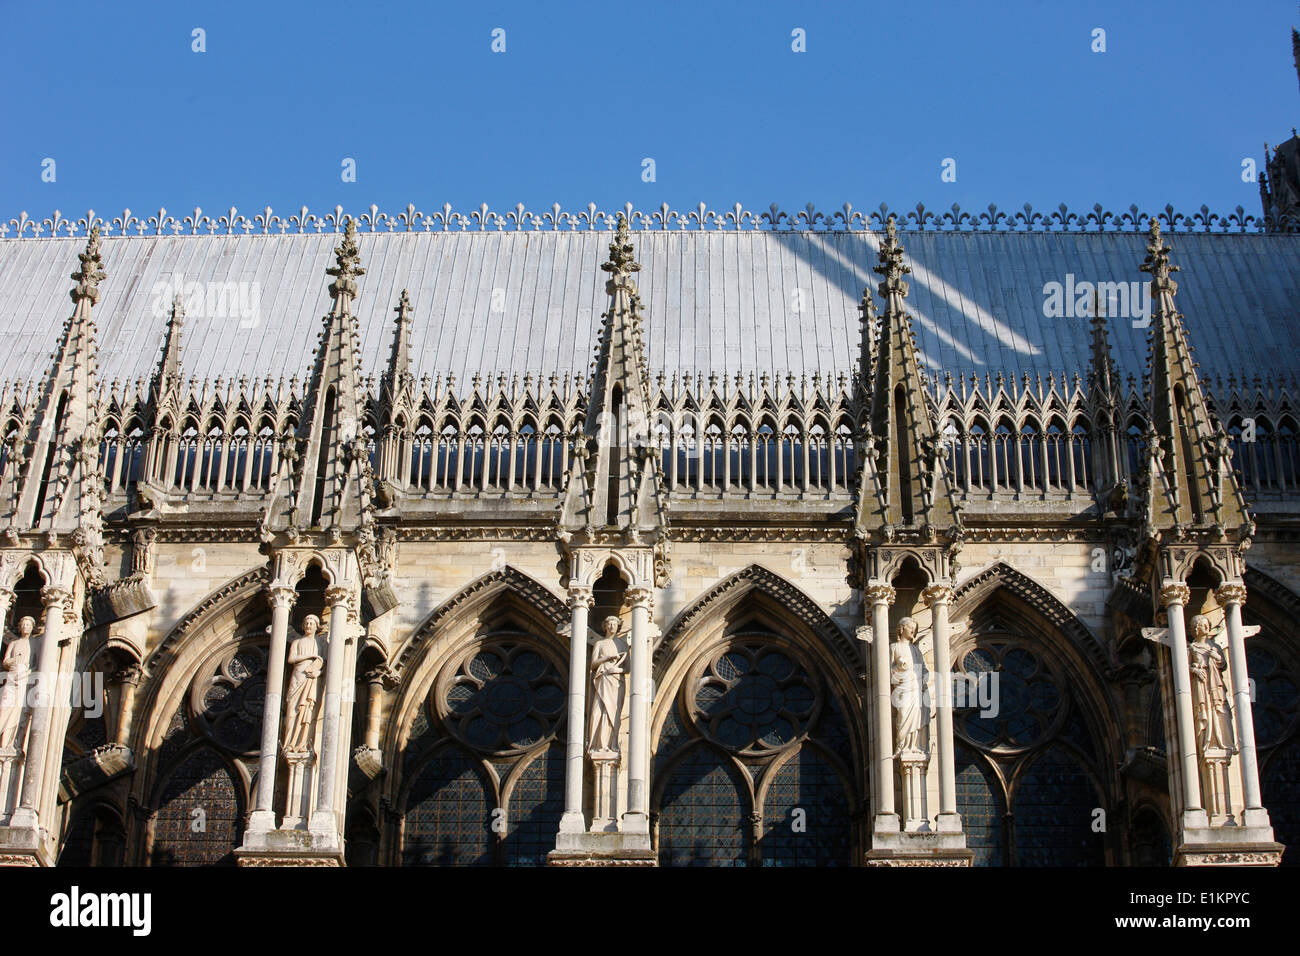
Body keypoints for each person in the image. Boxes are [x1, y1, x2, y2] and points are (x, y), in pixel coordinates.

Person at [1188, 614, 1234, 752]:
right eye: (1202, 624)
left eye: (1207, 623)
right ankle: (1207, 741)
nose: (1206, 626)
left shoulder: (1215, 646)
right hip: (1201, 684)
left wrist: (1217, 657)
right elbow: (1184, 667)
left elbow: (1223, 664)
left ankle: (1223, 741)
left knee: (1220, 709)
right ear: (1196, 628)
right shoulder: (1192, 647)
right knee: (1204, 711)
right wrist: (1195, 670)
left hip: (1216, 683)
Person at [284, 615, 324, 752]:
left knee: (307, 708)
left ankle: (302, 743)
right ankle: (289, 743)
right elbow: (291, 659)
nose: (308, 626)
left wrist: (318, 673)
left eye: (311, 623)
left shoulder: (320, 643)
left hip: (311, 678)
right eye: (306, 623)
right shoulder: (297, 642)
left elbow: (325, 663)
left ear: (316, 626)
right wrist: (310, 656)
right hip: (298, 676)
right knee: (292, 709)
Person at [588, 616, 627, 754]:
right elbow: (593, 664)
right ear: (605, 626)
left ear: (618, 626)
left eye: (614, 624)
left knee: (614, 713)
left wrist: (615, 669)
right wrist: (607, 659)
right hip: (602, 679)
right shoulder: (600, 643)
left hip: (616, 681)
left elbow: (627, 668)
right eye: (609, 624)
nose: (611, 626)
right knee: (600, 710)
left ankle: (612, 742)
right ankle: (600, 744)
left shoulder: (622, 645)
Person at [0, 617, 33, 750]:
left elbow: (37, 663)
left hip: (24, 678)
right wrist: (14, 660)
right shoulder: (14, 643)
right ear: (20, 627)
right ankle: (2, 741)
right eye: (23, 624)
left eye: (28, 625)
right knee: (4, 707)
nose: (25, 627)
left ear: (32, 627)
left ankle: (9, 743)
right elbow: (5, 662)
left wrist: (28, 671)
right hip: (12, 677)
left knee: (17, 710)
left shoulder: (34, 643)